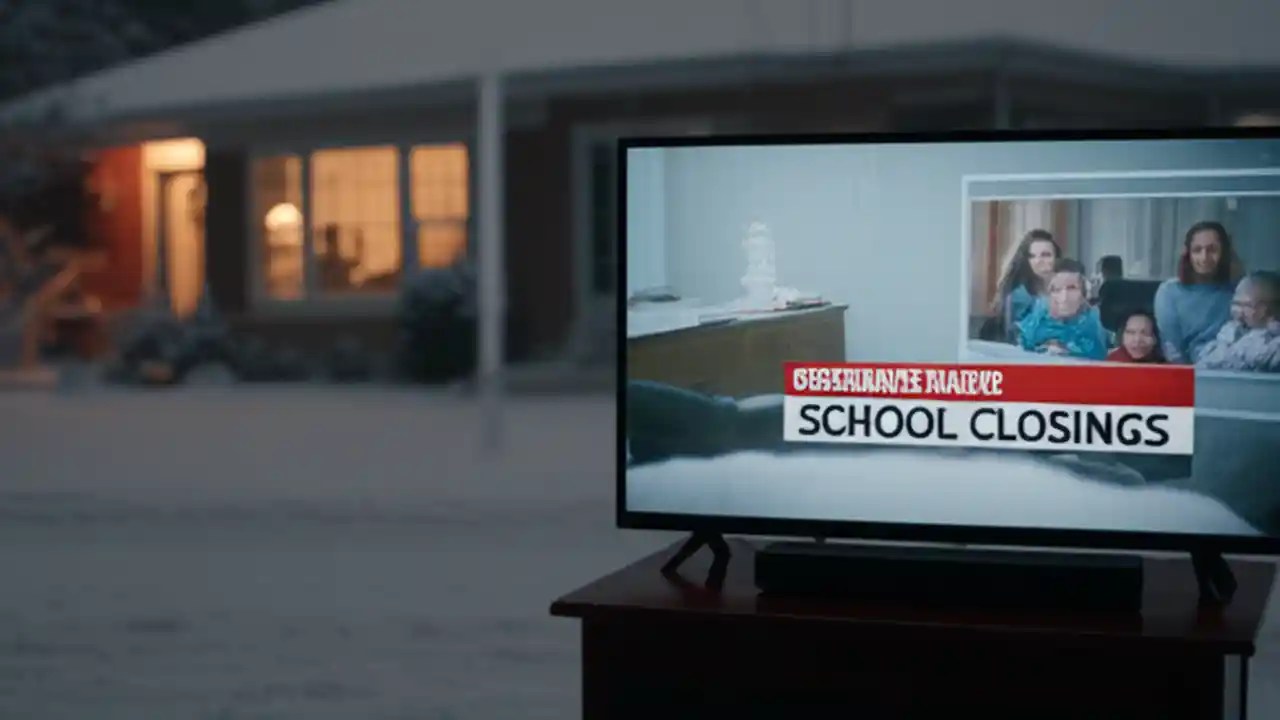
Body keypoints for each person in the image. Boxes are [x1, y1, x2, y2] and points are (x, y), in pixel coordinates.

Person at [1153, 221, 1241, 364]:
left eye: (1212, 250)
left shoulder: (1237, 291)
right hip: (1187, 375)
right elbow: (1172, 348)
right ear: (1188, 254)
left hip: (1231, 371)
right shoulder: (1169, 292)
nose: (1204, 257)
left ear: (1224, 253)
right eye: (1197, 250)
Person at [1017, 258, 1108, 360]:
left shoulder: (1093, 323)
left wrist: (1064, 349)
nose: (1064, 297)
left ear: (1084, 295)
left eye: (1072, 288)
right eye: (1056, 289)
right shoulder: (1036, 320)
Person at [1197, 271, 1280, 373]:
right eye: (1235, 304)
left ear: (1267, 311)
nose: (1238, 313)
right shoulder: (1230, 332)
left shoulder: (1275, 347)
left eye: (1246, 306)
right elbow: (1203, 365)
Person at [988, 229, 1062, 342]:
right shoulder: (1020, 296)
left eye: (1046, 255)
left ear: (1057, 258)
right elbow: (1020, 338)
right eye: (1032, 256)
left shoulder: (1062, 287)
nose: (1039, 261)